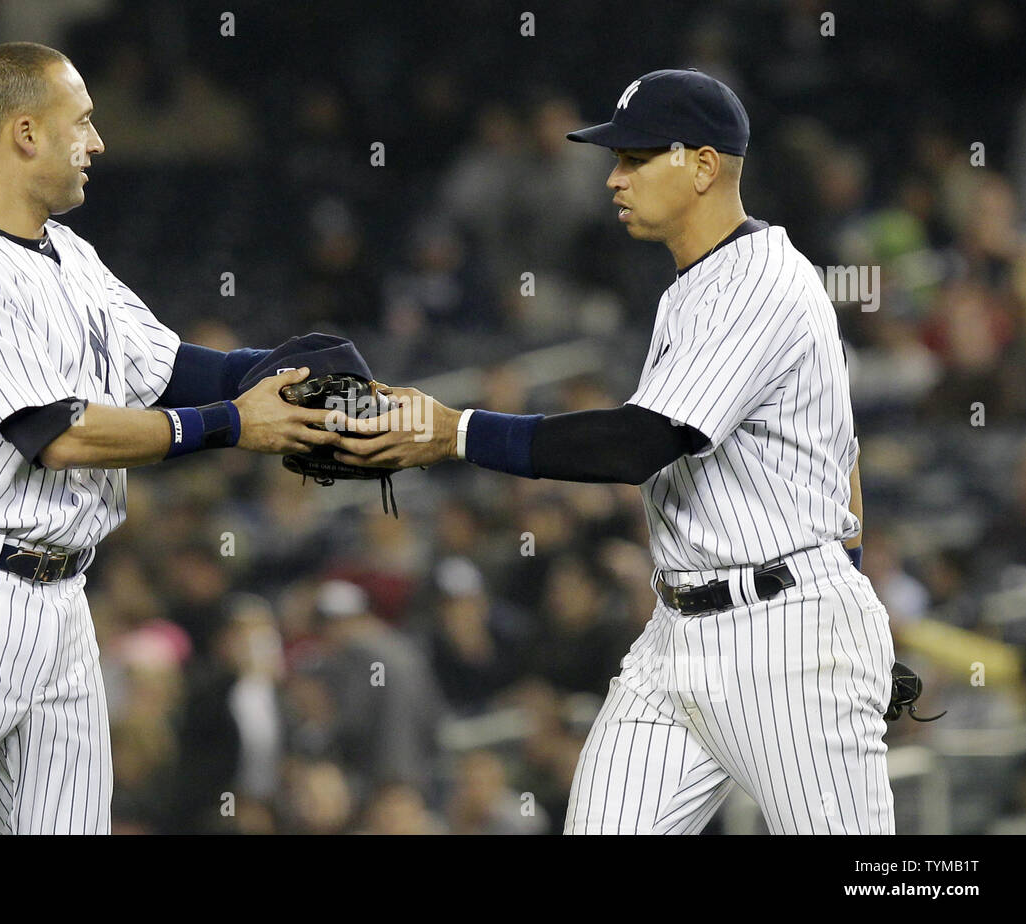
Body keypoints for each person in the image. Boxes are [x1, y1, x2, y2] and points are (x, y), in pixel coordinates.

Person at [334, 69, 894, 834]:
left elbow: (637, 444)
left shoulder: (763, 280)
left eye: (634, 158)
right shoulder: (693, 289)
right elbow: (844, 462)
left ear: (702, 166)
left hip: (789, 637)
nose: (612, 178)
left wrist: (455, 430)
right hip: (679, 632)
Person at [0, 42, 340, 834]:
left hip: (63, 598)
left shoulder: (70, 256)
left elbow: (175, 368)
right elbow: (57, 433)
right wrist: (234, 426)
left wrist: (291, 370)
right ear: (24, 132)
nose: (99, 141)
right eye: (80, 122)